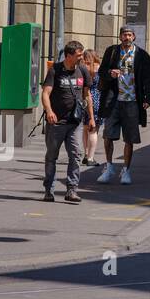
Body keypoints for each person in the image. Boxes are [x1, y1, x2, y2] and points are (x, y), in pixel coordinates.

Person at [97, 26, 150, 186]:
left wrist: (148, 99)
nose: (127, 37)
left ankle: (126, 170)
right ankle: (108, 167)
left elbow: (148, 79)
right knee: (108, 135)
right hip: (113, 100)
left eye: (129, 35)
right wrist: (110, 73)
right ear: (120, 36)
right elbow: (101, 71)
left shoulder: (142, 55)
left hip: (132, 101)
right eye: (124, 35)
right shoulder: (112, 51)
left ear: (134, 37)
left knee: (129, 138)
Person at [40, 41, 94, 203]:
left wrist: (90, 117)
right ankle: (49, 189)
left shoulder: (82, 70)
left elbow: (87, 95)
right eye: (78, 55)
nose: (81, 58)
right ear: (69, 55)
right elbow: (45, 94)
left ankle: (72, 190)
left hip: (75, 122)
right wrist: (49, 111)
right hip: (56, 122)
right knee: (52, 156)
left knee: (76, 155)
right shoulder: (55, 70)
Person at [81, 48, 102, 167]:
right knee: (93, 129)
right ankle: (90, 157)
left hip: (84, 99)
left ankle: (85, 154)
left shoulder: (83, 68)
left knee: (85, 128)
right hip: (96, 99)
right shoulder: (98, 68)